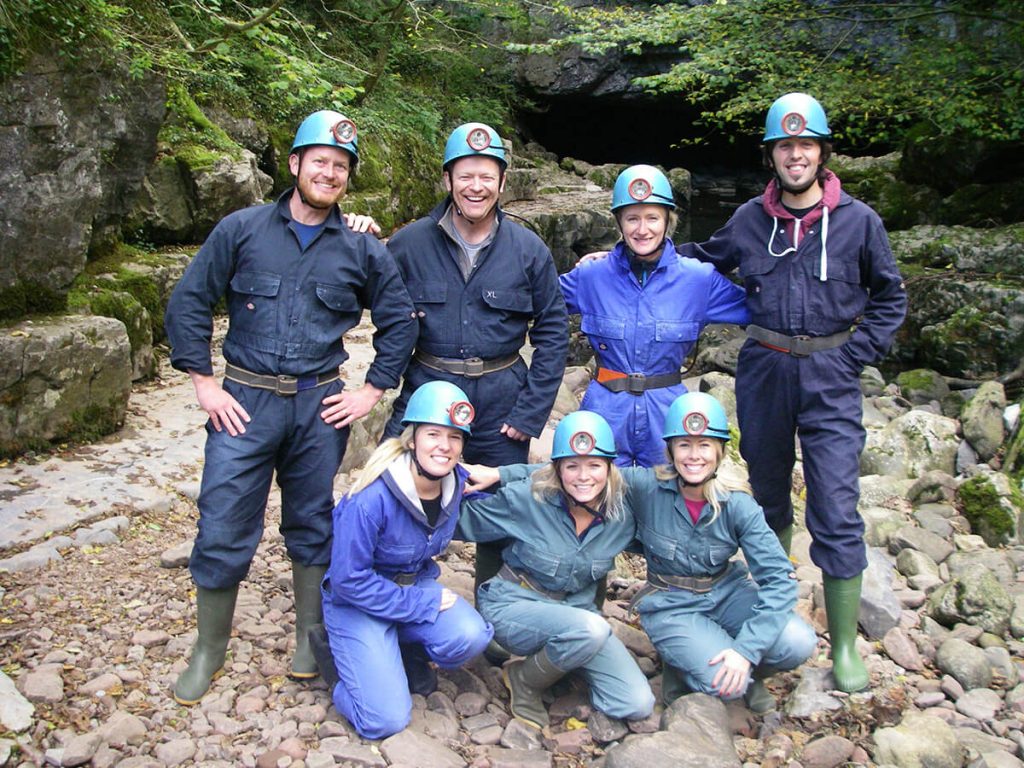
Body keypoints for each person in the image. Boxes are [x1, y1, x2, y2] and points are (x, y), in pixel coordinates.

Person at [164, 110, 419, 705]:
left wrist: (370, 390)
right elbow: (190, 302)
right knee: (224, 518)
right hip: (244, 401)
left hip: (319, 405)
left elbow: (400, 322)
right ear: (296, 164)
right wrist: (204, 384)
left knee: (311, 521)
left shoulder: (361, 246)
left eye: (341, 167)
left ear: (348, 178)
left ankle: (310, 636)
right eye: (320, 161)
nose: (329, 173)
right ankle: (210, 648)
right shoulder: (242, 229)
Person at [678, 93, 907, 693]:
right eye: (785, 145)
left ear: (822, 152)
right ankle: (770, 623)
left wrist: (854, 354)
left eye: (805, 145)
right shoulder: (751, 220)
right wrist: (630, 253)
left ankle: (846, 647)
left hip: (831, 374)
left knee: (835, 505)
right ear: (772, 156)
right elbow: (700, 261)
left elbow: (891, 297)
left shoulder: (859, 221)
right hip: (765, 369)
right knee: (770, 499)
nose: (795, 154)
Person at [383, 122, 569, 593]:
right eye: (465, 175)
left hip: (503, 401)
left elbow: (552, 332)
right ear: (447, 180)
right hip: (426, 390)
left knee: (503, 505)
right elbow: (369, 300)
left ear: (503, 183)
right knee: (394, 489)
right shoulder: (408, 244)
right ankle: (396, 599)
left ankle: (497, 610)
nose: (476, 187)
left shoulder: (529, 250)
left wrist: (531, 412)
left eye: (487, 176)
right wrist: (354, 233)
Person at [309, 381, 493, 739]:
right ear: (411, 439)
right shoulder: (369, 499)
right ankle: (336, 665)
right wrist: (418, 603)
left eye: (455, 437)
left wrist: (503, 474)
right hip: (357, 603)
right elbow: (349, 582)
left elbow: (522, 500)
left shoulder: (457, 483)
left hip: (411, 586)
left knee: (472, 636)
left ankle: (398, 650)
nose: (445, 446)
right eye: (434, 434)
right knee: (385, 720)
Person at [460, 411, 655, 730]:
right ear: (558, 469)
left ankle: (560, 662)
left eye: (594, 465)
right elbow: (455, 520)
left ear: (609, 468)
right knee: (590, 629)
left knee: (635, 702)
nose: (583, 476)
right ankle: (524, 680)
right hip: (515, 604)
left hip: (574, 614)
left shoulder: (623, 514)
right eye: (572, 466)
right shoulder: (528, 498)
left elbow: (670, 510)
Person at [625, 392, 817, 710]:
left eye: (704, 446)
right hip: (670, 604)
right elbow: (587, 476)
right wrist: (512, 476)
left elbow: (779, 581)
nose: (694, 456)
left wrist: (746, 652)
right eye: (684, 445)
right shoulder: (646, 486)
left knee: (798, 642)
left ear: (720, 452)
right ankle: (690, 670)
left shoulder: (738, 503)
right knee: (728, 686)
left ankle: (737, 670)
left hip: (726, 593)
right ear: (670, 450)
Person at [559, 164, 748, 467]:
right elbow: (532, 301)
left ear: (668, 221)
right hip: (604, 411)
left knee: (666, 503)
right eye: (632, 218)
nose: (642, 229)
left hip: (668, 415)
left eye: (652, 218)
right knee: (597, 502)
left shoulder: (699, 280)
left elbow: (764, 309)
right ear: (619, 223)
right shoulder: (591, 276)